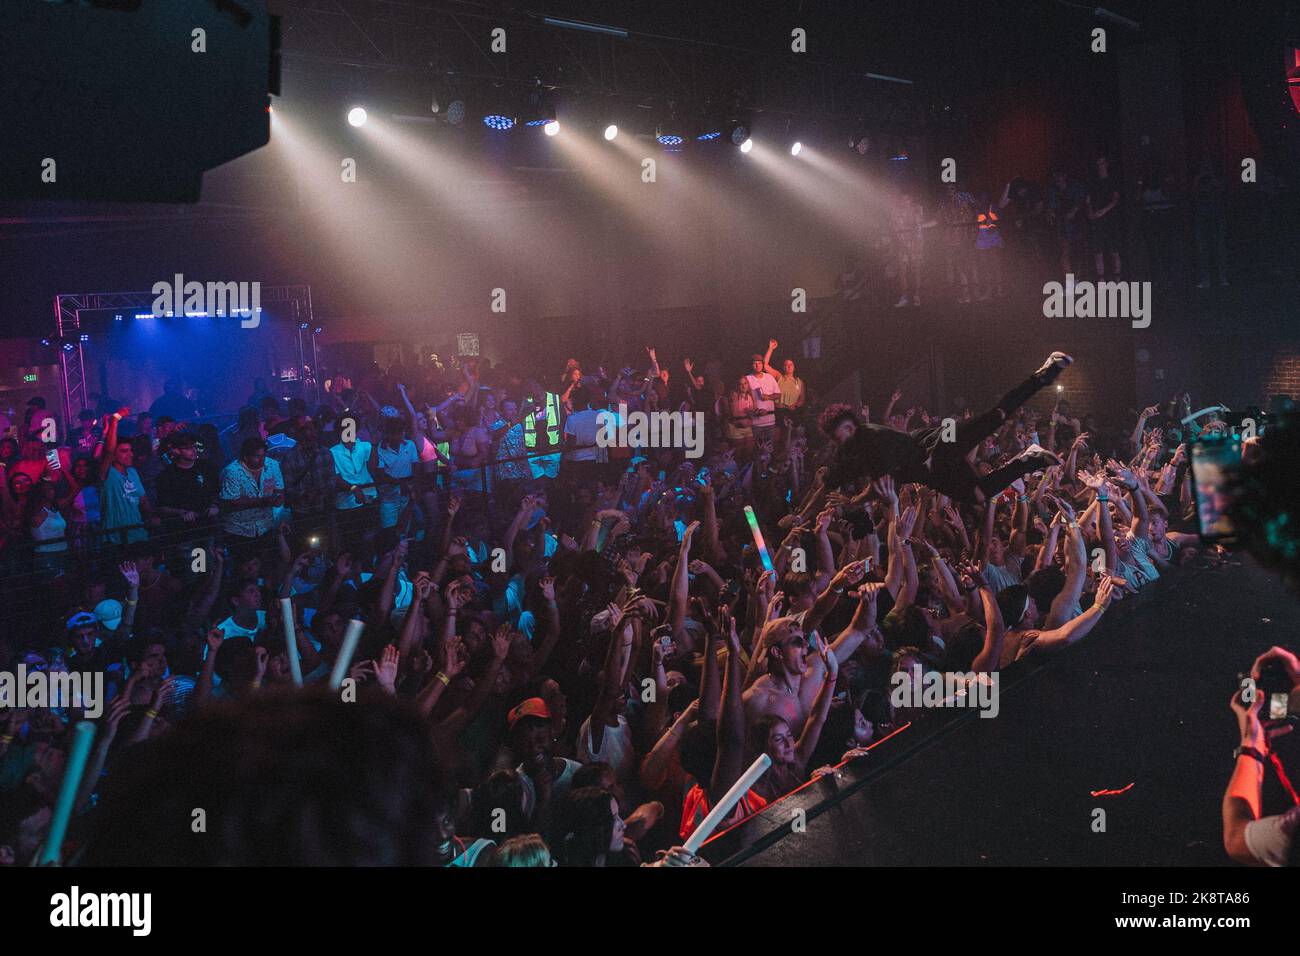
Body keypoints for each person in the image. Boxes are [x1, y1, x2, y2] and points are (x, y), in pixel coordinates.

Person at [813, 352, 1073, 508]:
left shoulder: (871, 434)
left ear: (854, 423)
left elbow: (877, 485)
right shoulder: (855, 459)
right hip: (932, 473)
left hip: (938, 444)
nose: (849, 435)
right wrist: (804, 514)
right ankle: (1029, 460)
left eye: (849, 428)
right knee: (979, 495)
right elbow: (830, 484)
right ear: (837, 440)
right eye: (842, 435)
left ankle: (1043, 375)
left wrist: (856, 501)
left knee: (998, 416)